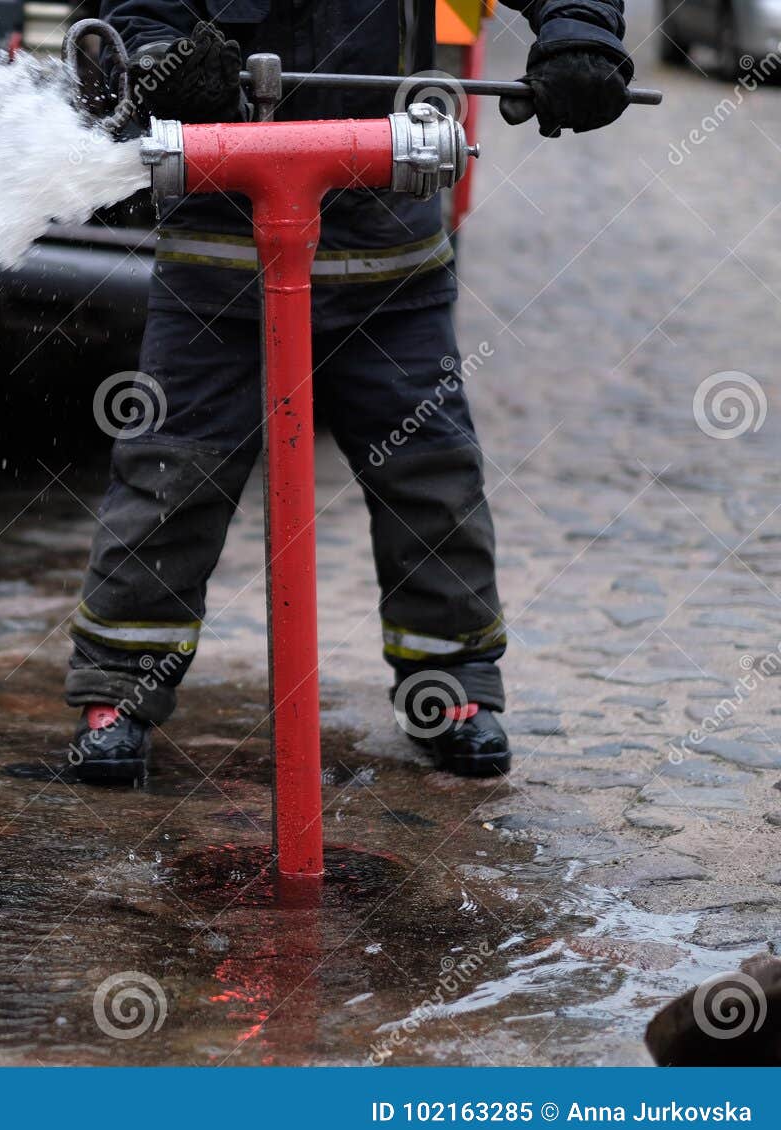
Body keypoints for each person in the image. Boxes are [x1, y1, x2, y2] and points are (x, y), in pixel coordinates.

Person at [65, 0, 634, 784]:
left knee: (430, 473)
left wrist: (580, 32)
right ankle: (118, 691)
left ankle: (452, 689)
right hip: (220, 252)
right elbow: (134, 12)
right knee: (172, 473)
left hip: (387, 262)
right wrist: (163, 57)